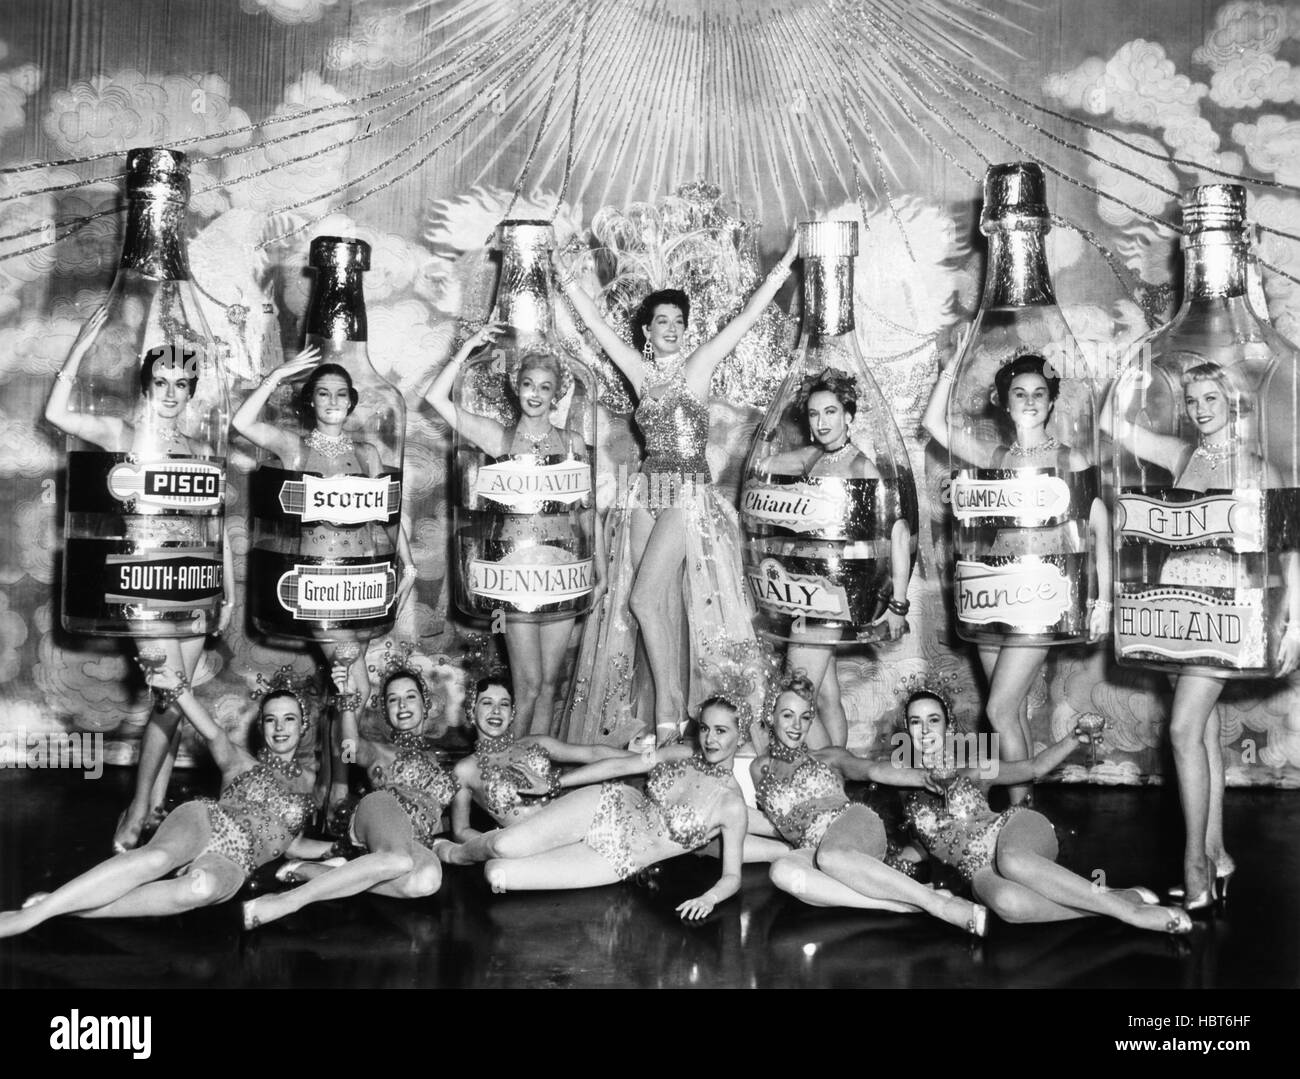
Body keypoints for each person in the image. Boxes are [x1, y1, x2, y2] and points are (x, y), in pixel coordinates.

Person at [555, 233, 799, 745]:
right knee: (652, 605)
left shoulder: (698, 367)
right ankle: (661, 716)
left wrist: (788, 261)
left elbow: (745, 319)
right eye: (662, 320)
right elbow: (597, 328)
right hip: (647, 489)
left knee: (644, 600)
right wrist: (564, 278)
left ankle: (671, 709)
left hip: (687, 491)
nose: (671, 328)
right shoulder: (642, 375)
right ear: (647, 329)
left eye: (679, 321)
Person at [1104, 361, 1300, 908]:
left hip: (1229, 608)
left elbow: (1292, 553)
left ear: (1235, 403)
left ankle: (1194, 863)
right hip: (1175, 601)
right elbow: (1112, 427)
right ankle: (1217, 853)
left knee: (1183, 729)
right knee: (1204, 732)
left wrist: (1296, 624)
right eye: (1192, 401)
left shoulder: (1262, 468)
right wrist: (1134, 369)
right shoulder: (1183, 455)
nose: (1200, 410)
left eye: (1211, 398)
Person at [44, 306, 236, 853]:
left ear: (191, 390)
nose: (171, 392)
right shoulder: (121, 432)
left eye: (181, 383)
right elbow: (58, 414)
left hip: (195, 583)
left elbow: (214, 526)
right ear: (147, 385)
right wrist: (80, 347)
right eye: (161, 381)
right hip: (141, 582)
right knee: (168, 689)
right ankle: (135, 808)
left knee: (172, 702)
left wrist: (229, 588)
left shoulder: (200, 450)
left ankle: (150, 804)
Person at [0, 665, 326, 938]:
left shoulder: (309, 784)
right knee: (157, 858)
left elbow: (293, 843)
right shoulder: (239, 761)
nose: (279, 728)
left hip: (236, 862)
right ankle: (32, 915)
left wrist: (345, 850)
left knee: (199, 890)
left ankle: (72, 910)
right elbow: (211, 731)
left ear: (303, 725)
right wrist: (177, 686)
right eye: (271, 719)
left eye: (289, 719)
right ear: (262, 726)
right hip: (206, 822)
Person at [922, 351, 1111, 803]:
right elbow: (934, 425)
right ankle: (1025, 812)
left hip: (1041, 595)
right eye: (1019, 394)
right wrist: (952, 362)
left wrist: (1102, 602)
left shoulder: (1071, 458)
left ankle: (1020, 814)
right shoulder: (995, 455)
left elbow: (1100, 530)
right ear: (1005, 403)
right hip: (992, 592)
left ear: (1050, 404)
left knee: (998, 709)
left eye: (1039, 394)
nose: (1029, 402)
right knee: (1015, 713)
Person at [233, 349, 417, 812]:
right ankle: (335, 791)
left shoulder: (368, 453)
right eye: (322, 393)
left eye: (340, 394)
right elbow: (243, 423)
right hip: (315, 584)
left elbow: (389, 515)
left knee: (352, 689)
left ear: (351, 402)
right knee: (353, 685)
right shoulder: (295, 447)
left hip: (362, 582)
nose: (332, 401)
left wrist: (407, 563)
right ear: (310, 401)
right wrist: (276, 375)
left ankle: (331, 784)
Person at [884, 689, 1191, 933]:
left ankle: (1132, 914)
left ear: (948, 726)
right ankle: (1116, 900)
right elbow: (925, 842)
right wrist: (891, 867)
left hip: (1014, 833)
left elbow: (1032, 768)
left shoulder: (974, 768)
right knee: (1008, 905)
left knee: (1013, 860)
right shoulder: (905, 787)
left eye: (933, 720)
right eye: (915, 721)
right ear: (907, 729)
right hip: (977, 869)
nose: (925, 730)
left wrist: (1074, 738)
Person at [424, 328, 601, 736]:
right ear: (515, 388)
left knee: (550, 685)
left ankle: (538, 769)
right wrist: (467, 349)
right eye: (527, 385)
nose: (535, 394)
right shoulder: (496, 436)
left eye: (545, 387)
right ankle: (507, 767)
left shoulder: (573, 442)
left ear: (556, 395)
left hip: (562, 573)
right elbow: (435, 399)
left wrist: (600, 568)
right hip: (515, 575)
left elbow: (588, 511)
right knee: (529, 684)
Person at [445, 696, 752, 920]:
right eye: (705, 729)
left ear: (741, 736)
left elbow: (732, 877)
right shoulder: (681, 752)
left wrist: (709, 899)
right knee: (503, 844)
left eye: (721, 731)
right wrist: (555, 783)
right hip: (607, 804)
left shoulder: (732, 806)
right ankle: (453, 853)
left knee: (498, 873)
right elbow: (620, 764)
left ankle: (497, 849)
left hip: (619, 858)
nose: (710, 739)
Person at [752, 672, 985, 933]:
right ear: (770, 716)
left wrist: (921, 777)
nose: (797, 725)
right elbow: (774, 822)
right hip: (814, 849)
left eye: (805, 717)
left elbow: (873, 770)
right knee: (782, 871)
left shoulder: (829, 756)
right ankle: (902, 904)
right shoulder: (758, 769)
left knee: (830, 857)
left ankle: (941, 907)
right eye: (788, 715)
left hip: (854, 826)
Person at [241, 663, 460, 928]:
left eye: (410, 697)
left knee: (425, 881)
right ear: (386, 712)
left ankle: (320, 871)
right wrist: (347, 701)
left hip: (412, 841)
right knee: (399, 860)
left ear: (426, 705)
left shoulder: (442, 762)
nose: (402, 705)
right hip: (379, 812)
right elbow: (349, 749)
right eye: (393, 699)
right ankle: (285, 901)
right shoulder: (380, 751)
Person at [758, 370, 913, 746]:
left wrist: (898, 604)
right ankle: (839, 781)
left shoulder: (861, 467)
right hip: (805, 591)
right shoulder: (813, 458)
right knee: (825, 697)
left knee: (793, 694)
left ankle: (820, 778)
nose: (822, 422)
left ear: (848, 416)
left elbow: (899, 534)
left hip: (834, 595)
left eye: (830, 412)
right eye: (814, 414)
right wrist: (764, 436)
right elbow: (766, 464)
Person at [435, 676, 638, 865]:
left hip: (573, 826)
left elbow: (593, 753)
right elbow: (461, 831)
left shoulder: (535, 743)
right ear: (471, 710)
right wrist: (500, 843)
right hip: (527, 848)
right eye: (487, 703)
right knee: (498, 872)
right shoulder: (464, 769)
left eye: (504, 704)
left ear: (512, 712)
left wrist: (648, 759)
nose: (496, 711)